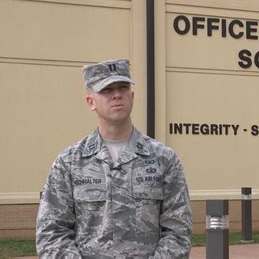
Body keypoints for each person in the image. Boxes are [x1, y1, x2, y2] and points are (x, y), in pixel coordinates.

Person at [36, 58, 192, 258]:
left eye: (123, 88)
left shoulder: (163, 159)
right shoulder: (69, 162)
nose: (117, 95)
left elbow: (178, 231)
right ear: (90, 102)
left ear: (132, 96)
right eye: (107, 90)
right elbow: (51, 233)